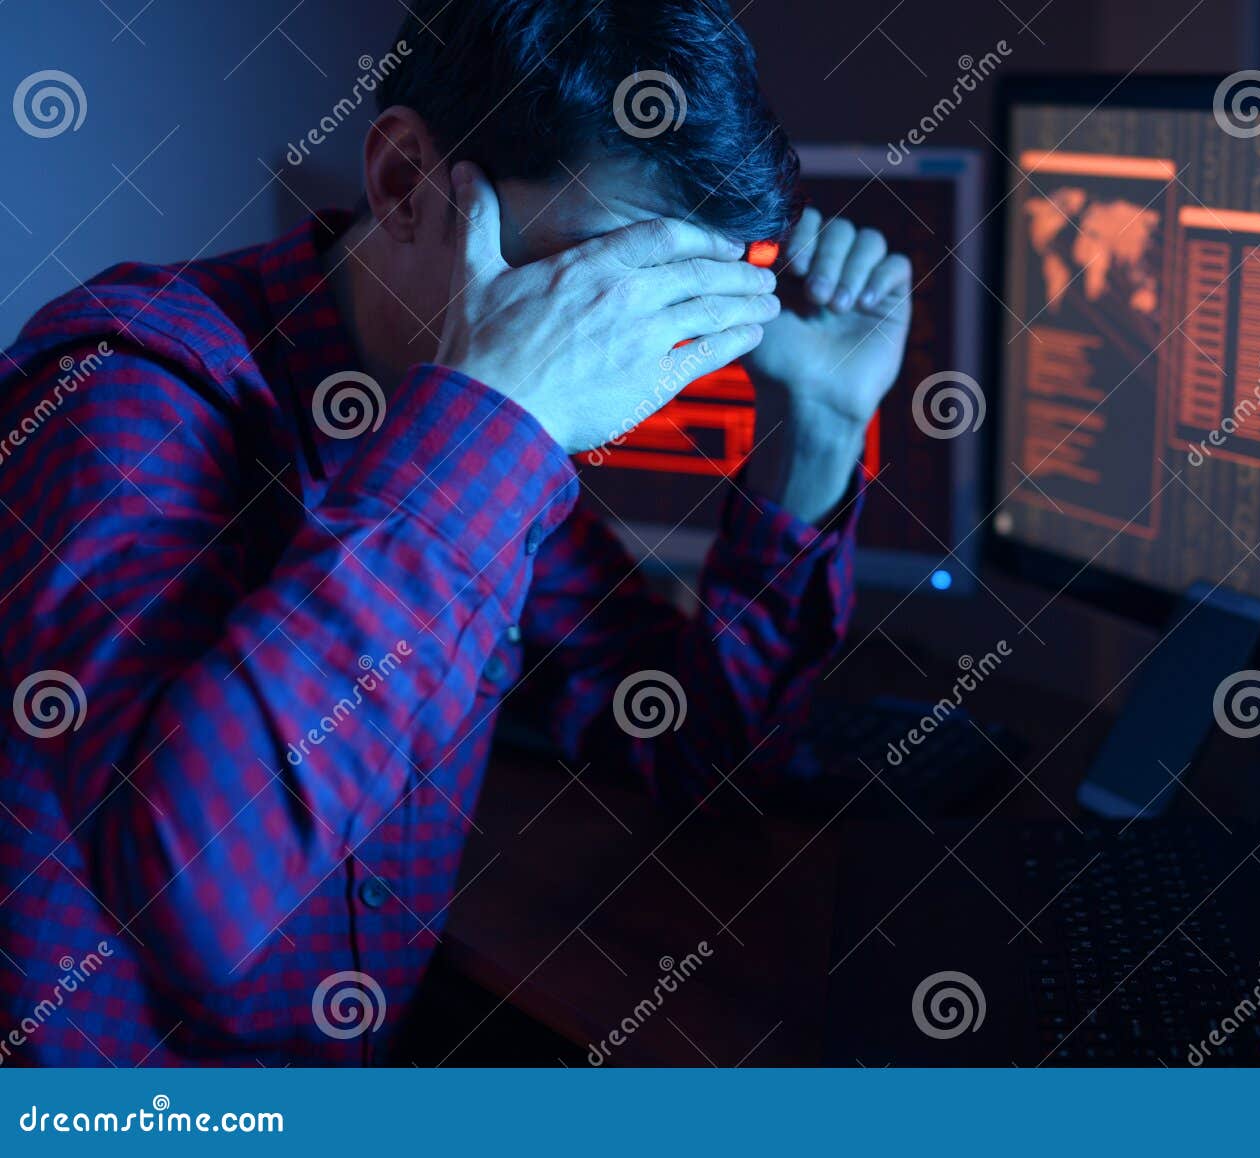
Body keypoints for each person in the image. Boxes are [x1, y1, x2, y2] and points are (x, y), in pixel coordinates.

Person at [0, 0, 912, 1065]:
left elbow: (693, 750)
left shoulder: (465, 419)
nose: (628, 358)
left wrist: (822, 423)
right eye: (592, 285)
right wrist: (495, 422)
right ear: (400, 184)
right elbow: (195, 897)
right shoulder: (120, 405)